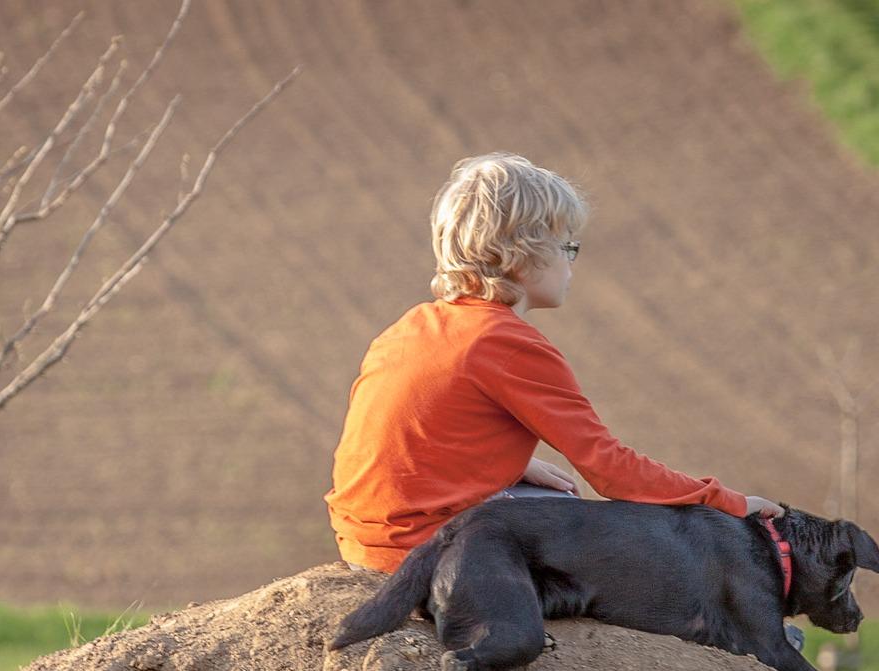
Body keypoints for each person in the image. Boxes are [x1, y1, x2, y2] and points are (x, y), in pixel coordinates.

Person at [324, 152, 784, 577]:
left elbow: (405, 436)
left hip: (363, 541)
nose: (571, 263)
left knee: (548, 495)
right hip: (419, 551)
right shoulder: (506, 343)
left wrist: (505, 466)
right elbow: (611, 470)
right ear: (522, 253)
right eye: (567, 247)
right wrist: (727, 503)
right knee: (602, 527)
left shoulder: (414, 326)